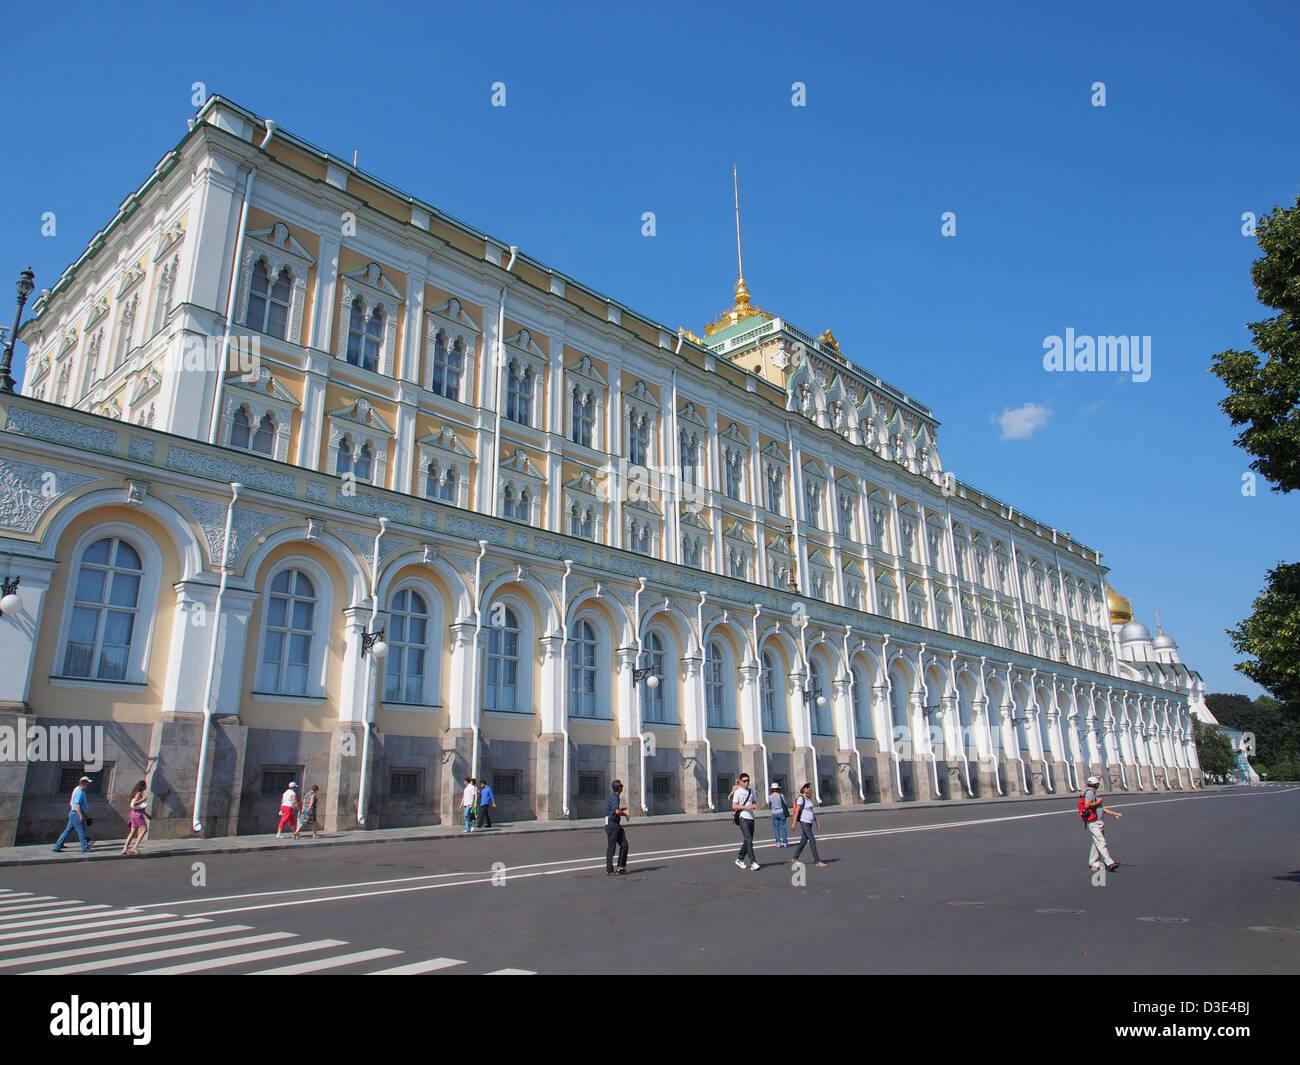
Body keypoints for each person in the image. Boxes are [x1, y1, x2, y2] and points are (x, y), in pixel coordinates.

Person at [1083, 775, 1122, 872]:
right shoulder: (1089, 793)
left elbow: (1101, 808)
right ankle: (1109, 862)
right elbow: (1087, 804)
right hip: (1094, 822)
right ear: (1096, 785)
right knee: (1101, 842)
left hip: (1099, 821)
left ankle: (1092, 862)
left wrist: (1114, 814)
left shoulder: (1094, 794)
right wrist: (1098, 801)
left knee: (1097, 843)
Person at [52, 775, 94, 854]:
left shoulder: (78, 790)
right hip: (76, 814)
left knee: (67, 831)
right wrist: (81, 815)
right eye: (87, 783)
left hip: (74, 813)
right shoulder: (79, 792)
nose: (88, 785)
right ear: (83, 783)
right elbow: (77, 805)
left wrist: (86, 816)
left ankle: (57, 846)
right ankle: (85, 847)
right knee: (81, 831)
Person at [790, 782, 828, 868]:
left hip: (810, 822)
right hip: (804, 822)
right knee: (812, 840)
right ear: (803, 789)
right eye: (807, 787)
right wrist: (794, 823)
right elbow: (797, 812)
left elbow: (811, 811)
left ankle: (794, 857)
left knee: (803, 841)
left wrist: (816, 821)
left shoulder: (809, 798)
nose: (809, 788)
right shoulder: (800, 799)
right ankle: (817, 861)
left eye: (809, 787)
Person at [730, 772, 760, 870]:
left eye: (748, 781)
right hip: (742, 817)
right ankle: (753, 862)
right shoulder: (738, 792)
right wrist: (745, 807)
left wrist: (754, 805)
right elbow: (734, 806)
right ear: (741, 782)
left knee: (748, 840)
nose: (747, 782)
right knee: (748, 840)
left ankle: (739, 859)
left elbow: (754, 802)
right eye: (744, 781)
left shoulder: (751, 791)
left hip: (751, 818)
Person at [605, 779, 629, 875]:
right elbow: (616, 812)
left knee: (624, 845)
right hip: (612, 824)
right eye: (621, 786)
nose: (622, 787)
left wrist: (621, 809)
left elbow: (615, 809)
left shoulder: (614, 797)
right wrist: (625, 814)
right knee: (612, 847)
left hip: (614, 824)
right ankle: (609, 869)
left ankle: (620, 867)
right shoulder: (615, 797)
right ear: (619, 788)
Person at [121, 780, 150, 856]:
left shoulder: (138, 793)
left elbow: (140, 807)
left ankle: (125, 848)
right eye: (145, 785)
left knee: (133, 831)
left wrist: (147, 815)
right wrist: (143, 799)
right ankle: (135, 847)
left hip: (134, 813)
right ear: (142, 786)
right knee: (144, 829)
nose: (146, 787)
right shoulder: (139, 793)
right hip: (137, 814)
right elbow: (134, 804)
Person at [768, 782, 790, 846]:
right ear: (778, 789)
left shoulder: (770, 797)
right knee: (783, 827)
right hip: (781, 812)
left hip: (774, 813)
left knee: (776, 828)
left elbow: (769, 804)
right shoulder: (781, 795)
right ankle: (785, 842)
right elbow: (785, 803)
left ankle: (778, 843)